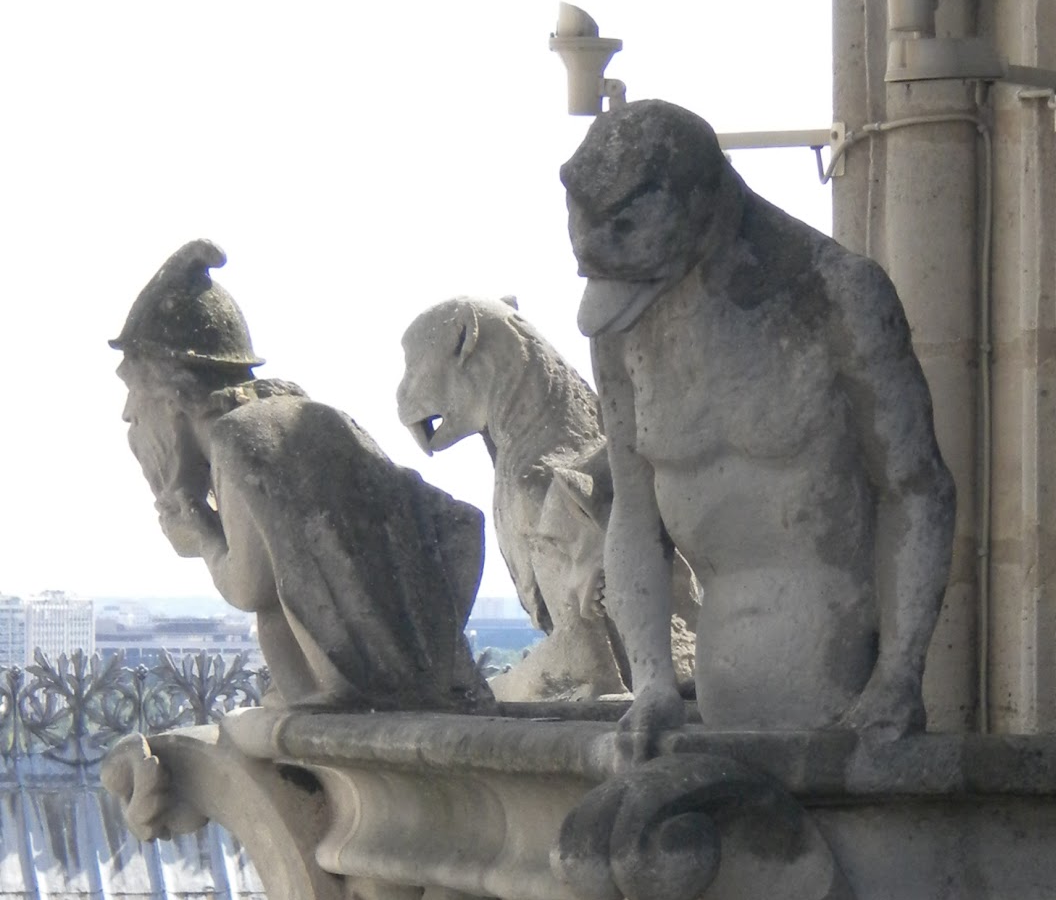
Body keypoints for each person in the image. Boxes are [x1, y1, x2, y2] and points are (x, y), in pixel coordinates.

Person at [561, 100, 956, 752]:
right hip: (717, 686)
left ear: (697, 207)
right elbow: (634, 515)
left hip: (843, 684)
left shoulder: (836, 295)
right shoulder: (625, 320)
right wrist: (653, 680)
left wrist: (900, 673)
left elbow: (916, 488)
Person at [111, 240, 488, 711]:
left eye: (134, 401)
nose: (129, 415)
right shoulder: (299, 416)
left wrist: (201, 535)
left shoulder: (238, 439)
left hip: (364, 699)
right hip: (418, 681)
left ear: (172, 399)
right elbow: (455, 522)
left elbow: (250, 587)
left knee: (264, 642)